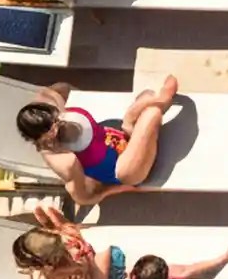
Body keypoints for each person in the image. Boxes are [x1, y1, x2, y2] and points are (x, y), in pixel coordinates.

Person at [14, 75, 179, 205]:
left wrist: (84, 95)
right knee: (151, 113)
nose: (61, 126)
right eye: (54, 134)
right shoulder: (62, 160)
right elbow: (82, 197)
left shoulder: (53, 103)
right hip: (125, 168)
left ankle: (132, 122)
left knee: (147, 95)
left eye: (58, 120)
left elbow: (59, 88)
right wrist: (114, 189)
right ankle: (157, 104)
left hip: (120, 137)